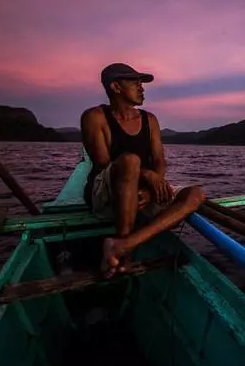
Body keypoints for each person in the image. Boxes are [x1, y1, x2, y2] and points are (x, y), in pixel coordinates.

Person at [81, 62, 205, 277]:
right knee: (130, 161)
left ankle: (122, 245)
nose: (142, 88)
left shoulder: (150, 120)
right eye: (135, 83)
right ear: (116, 87)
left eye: (141, 84)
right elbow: (103, 164)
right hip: (106, 193)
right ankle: (125, 257)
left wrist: (150, 188)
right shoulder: (95, 117)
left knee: (196, 194)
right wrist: (146, 175)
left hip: (142, 192)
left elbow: (159, 160)